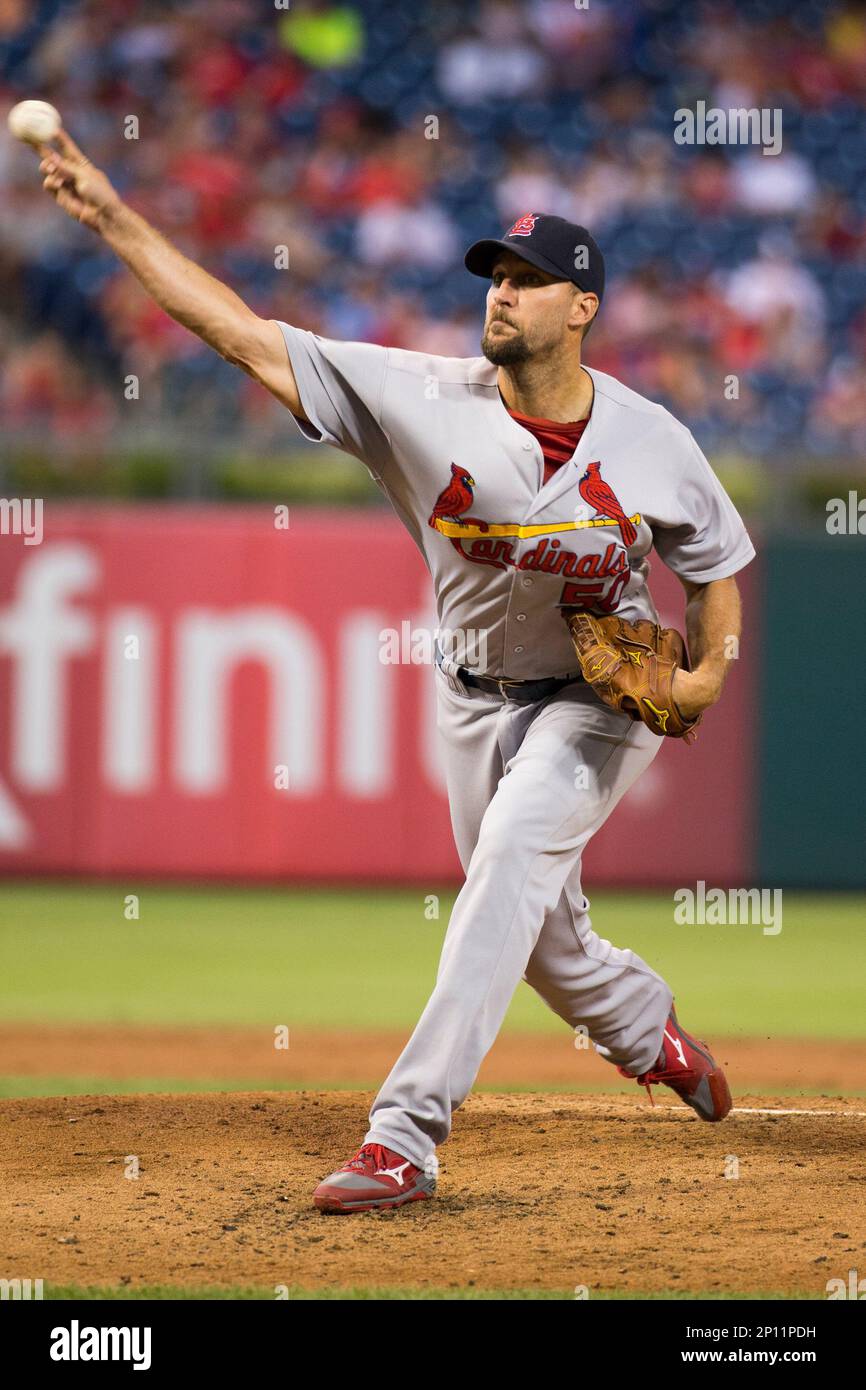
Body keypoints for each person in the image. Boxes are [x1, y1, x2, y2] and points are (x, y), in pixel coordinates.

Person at [38, 132, 754, 1215]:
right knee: (540, 934)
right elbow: (237, 333)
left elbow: (713, 569)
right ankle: (638, 1026)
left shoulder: (653, 439)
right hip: (467, 698)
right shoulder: (414, 393)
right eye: (493, 277)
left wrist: (702, 676)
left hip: (596, 701)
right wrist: (113, 218)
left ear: (582, 307)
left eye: (527, 280)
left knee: (509, 858)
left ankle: (402, 1135)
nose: (501, 295)